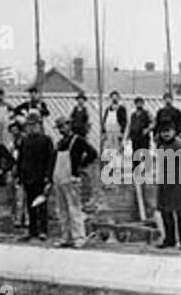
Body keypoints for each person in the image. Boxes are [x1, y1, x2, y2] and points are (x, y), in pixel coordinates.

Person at [51, 117, 98, 248]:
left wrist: (80, 166)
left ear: (69, 126)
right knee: (62, 209)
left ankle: (79, 237)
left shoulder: (77, 141)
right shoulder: (60, 143)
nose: (61, 130)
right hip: (59, 177)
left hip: (71, 178)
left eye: (63, 127)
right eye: (59, 128)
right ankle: (66, 237)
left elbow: (92, 153)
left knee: (74, 208)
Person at [15, 115, 55, 241]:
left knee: (42, 205)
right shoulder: (24, 141)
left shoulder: (46, 140)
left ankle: (43, 230)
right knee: (30, 205)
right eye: (29, 125)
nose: (31, 128)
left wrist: (48, 176)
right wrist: (19, 175)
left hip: (41, 177)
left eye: (34, 125)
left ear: (39, 126)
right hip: (28, 177)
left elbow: (50, 159)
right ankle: (32, 230)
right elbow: (21, 159)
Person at [154, 123, 181, 249]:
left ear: (174, 132)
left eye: (168, 131)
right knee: (166, 213)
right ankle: (169, 240)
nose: (166, 134)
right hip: (165, 184)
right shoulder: (161, 147)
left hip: (178, 184)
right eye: (163, 131)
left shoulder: (180, 147)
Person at [128, 96, 153, 178]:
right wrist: (128, 135)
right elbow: (130, 125)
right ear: (135, 104)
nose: (139, 104)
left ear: (143, 104)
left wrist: (147, 129)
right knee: (135, 153)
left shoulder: (147, 113)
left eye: (140, 103)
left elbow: (153, 123)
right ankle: (136, 169)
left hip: (144, 137)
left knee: (145, 153)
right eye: (137, 103)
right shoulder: (133, 115)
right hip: (135, 137)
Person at [102, 91, 127, 157]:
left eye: (116, 97)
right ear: (110, 98)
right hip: (108, 131)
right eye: (113, 97)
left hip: (117, 131)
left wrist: (122, 132)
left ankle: (118, 165)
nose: (114, 99)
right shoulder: (108, 109)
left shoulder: (121, 108)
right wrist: (103, 132)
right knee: (108, 149)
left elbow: (124, 121)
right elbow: (104, 121)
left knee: (117, 148)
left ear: (118, 98)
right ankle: (110, 164)